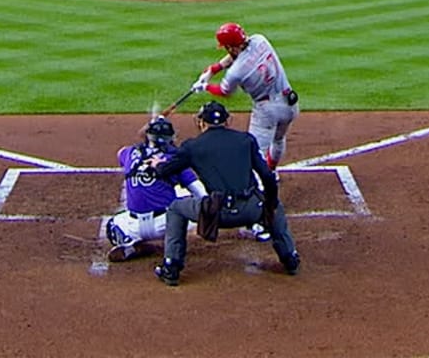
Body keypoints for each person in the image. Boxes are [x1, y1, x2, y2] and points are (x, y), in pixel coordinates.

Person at [145, 101, 299, 286]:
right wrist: (270, 205)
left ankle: (171, 267)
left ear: (201, 123)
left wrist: (156, 165)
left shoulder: (192, 147)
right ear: (227, 121)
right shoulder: (246, 140)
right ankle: (289, 258)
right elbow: (267, 176)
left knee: (176, 208)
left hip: (216, 214)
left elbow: (164, 171)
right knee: (276, 208)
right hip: (251, 210)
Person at [104, 116, 207, 263]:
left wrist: (144, 133)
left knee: (113, 224)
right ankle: (174, 242)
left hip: (135, 226)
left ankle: (132, 243)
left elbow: (120, 153)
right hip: (166, 224)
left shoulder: (130, 153)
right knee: (187, 197)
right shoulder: (174, 159)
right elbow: (199, 191)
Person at [196, 22, 298, 170]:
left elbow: (225, 91)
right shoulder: (260, 40)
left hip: (267, 110)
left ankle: (261, 184)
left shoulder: (236, 72)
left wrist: (205, 86)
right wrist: (213, 69)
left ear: (230, 47)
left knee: (255, 151)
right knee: (278, 139)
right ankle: (271, 171)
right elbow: (242, 53)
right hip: (290, 103)